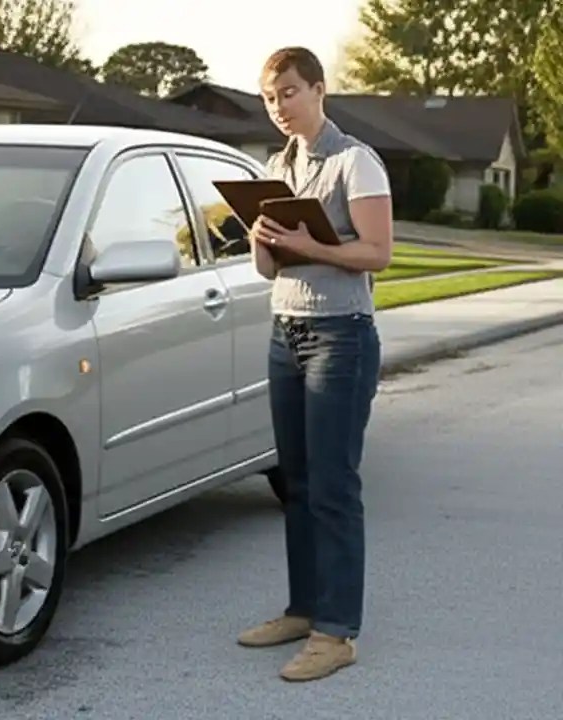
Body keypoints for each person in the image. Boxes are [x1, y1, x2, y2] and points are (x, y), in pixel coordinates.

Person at [235, 47, 393, 682]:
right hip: (286, 331)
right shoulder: (277, 167)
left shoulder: (357, 161)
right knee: (296, 485)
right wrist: (262, 241)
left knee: (332, 487)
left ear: (320, 90)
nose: (279, 107)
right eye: (270, 97)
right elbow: (270, 269)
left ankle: (336, 634)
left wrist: (310, 244)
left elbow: (378, 253)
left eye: (290, 93)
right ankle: (304, 611)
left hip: (341, 337)